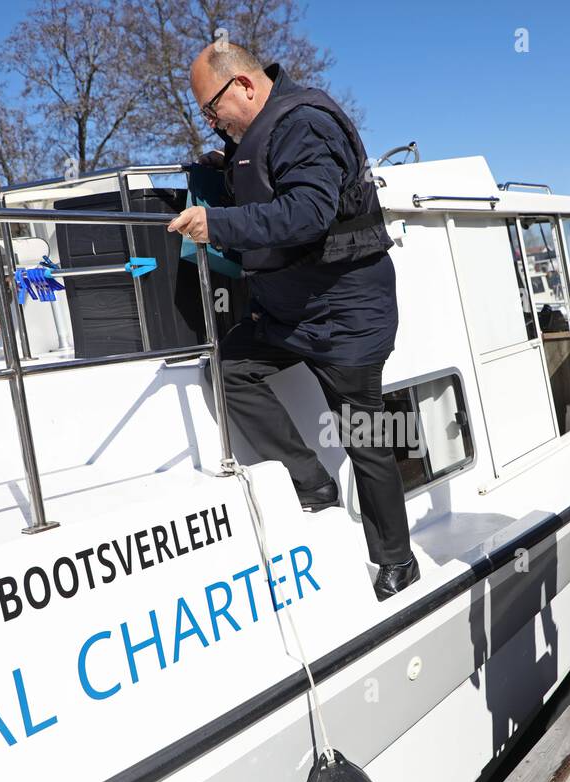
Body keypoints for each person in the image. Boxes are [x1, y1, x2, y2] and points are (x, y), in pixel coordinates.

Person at [167, 43, 418, 601]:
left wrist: (218, 224)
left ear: (244, 86)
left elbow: (309, 212)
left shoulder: (304, 124)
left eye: (211, 109)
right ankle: (312, 483)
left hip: (346, 316)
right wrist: (225, 171)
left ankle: (397, 561)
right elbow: (268, 183)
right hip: (290, 313)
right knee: (229, 372)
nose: (211, 122)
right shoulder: (258, 134)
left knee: (364, 437)